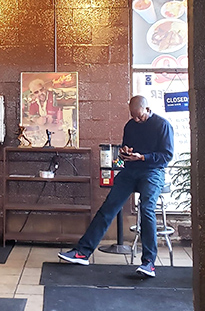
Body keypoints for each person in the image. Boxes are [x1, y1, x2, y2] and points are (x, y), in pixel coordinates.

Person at [58, 95, 174, 277]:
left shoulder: (162, 125)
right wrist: (125, 153)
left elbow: (166, 156)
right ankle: (83, 252)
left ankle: (149, 263)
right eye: (133, 116)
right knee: (108, 208)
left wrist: (143, 157)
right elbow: (127, 148)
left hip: (153, 171)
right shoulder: (130, 126)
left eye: (139, 116)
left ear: (147, 109)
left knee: (147, 209)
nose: (136, 120)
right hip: (131, 170)